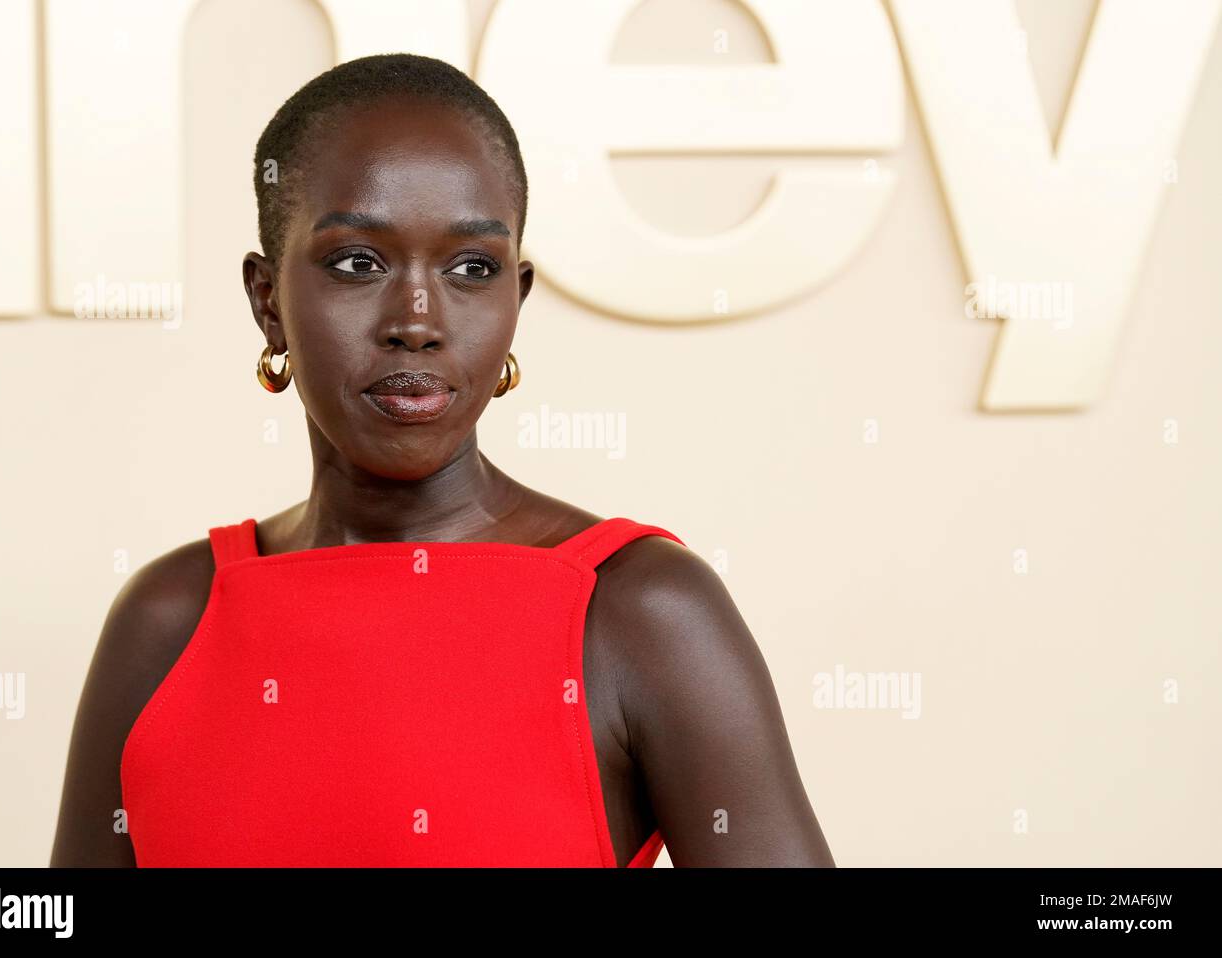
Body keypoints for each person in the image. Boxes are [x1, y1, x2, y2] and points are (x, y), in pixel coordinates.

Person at [49, 53, 833, 868]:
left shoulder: (639, 611)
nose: (417, 319)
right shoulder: (168, 620)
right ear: (266, 301)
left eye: (471, 269)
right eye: (358, 262)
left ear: (516, 300)